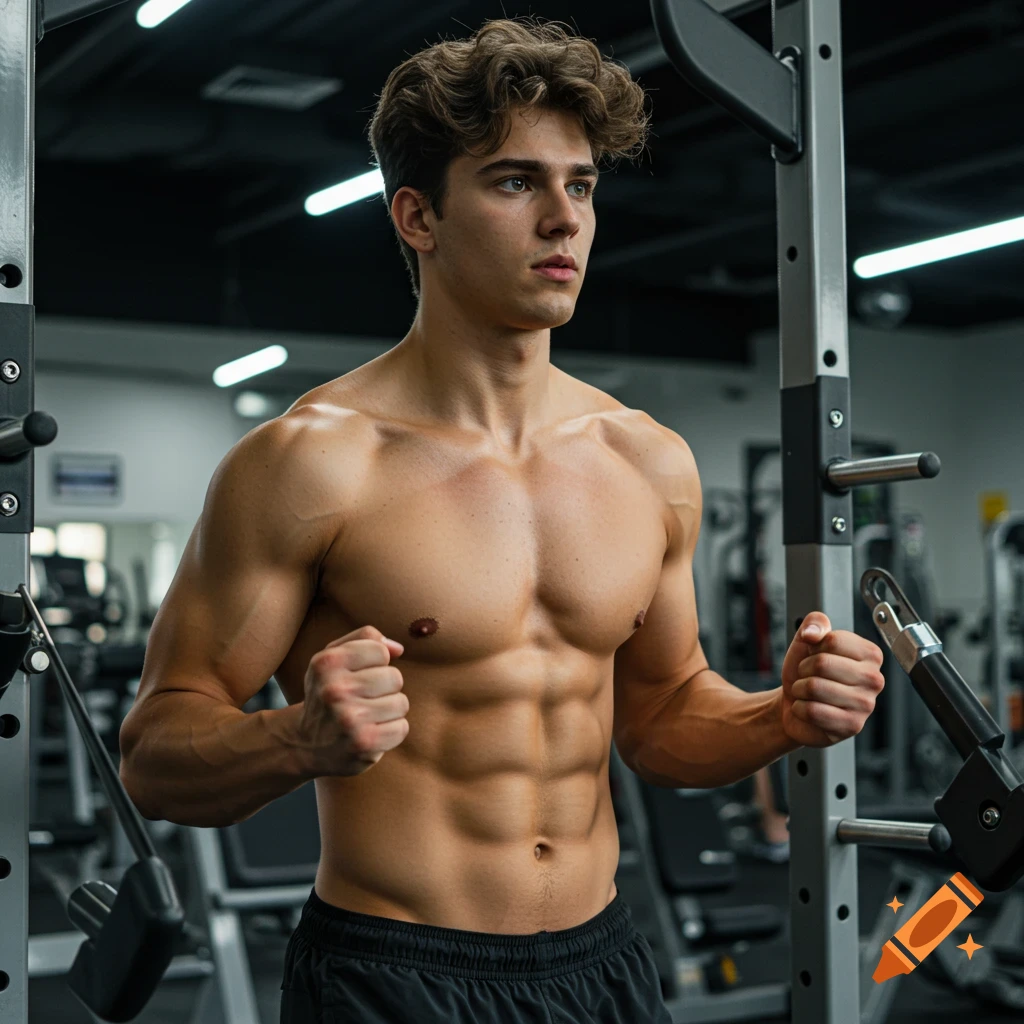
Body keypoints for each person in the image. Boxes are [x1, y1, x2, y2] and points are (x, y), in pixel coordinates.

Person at [119, 17, 886, 1024]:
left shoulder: (646, 460)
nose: (563, 219)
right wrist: (295, 739)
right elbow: (153, 754)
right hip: (392, 975)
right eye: (516, 182)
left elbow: (658, 719)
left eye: (581, 184)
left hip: (602, 963)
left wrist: (772, 716)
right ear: (417, 217)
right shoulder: (311, 462)